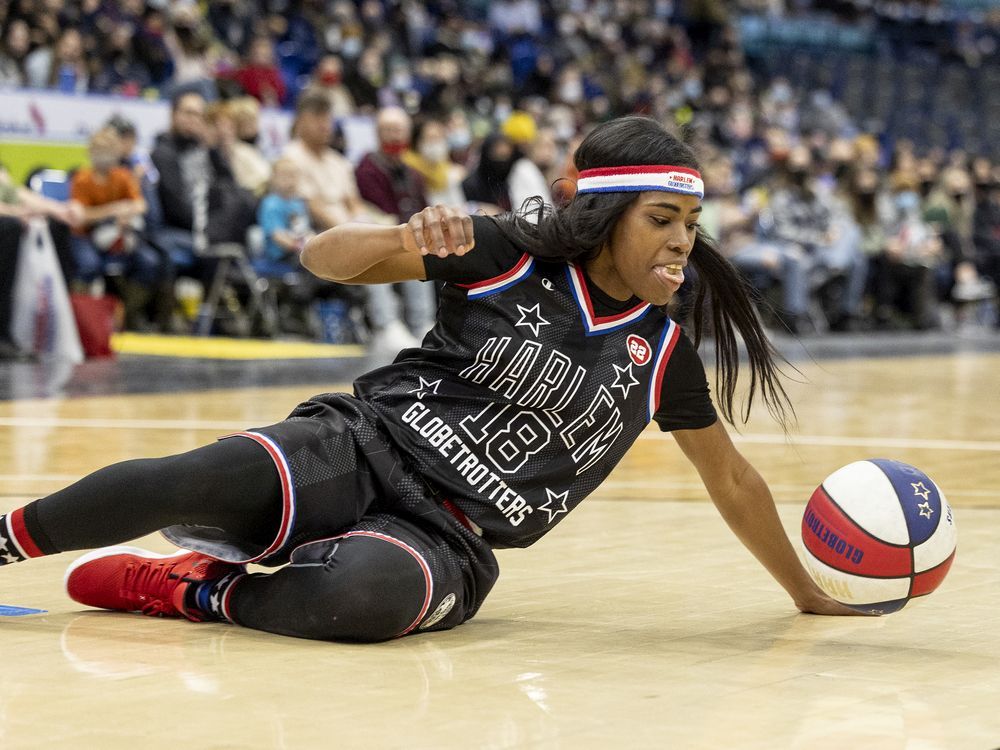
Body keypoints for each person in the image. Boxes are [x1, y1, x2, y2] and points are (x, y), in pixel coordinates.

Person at [0, 116, 854, 644]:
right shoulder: (499, 252)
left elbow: (731, 478)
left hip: (454, 535)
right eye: (662, 220)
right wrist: (397, 233)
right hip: (363, 447)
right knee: (182, 479)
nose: (682, 241)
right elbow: (320, 258)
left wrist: (806, 593)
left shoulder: (663, 353)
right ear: (603, 218)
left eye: (692, 224)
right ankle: (8, 538)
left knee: (365, 600)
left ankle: (196, 589)